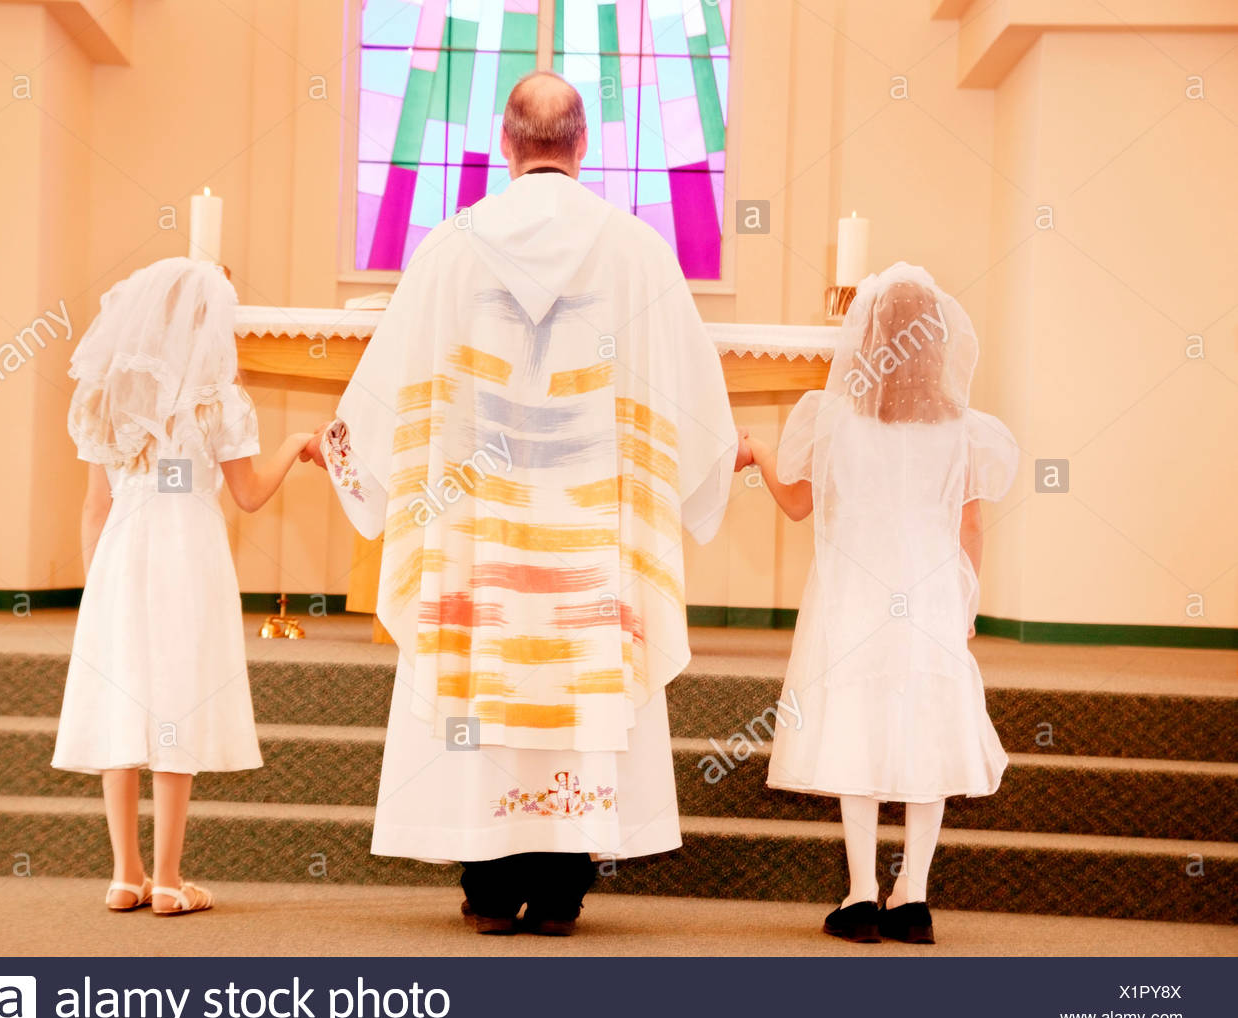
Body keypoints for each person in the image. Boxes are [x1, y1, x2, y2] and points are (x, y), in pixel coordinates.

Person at [305, 72, 741, 934]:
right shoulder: (638, 250)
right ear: (581, 144)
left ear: (507, 144)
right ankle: (563, 891)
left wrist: (351, 456)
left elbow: (385, 393)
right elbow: (697, 405)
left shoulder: (451, 246)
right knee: (578, 692)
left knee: (482, 689)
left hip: (482, 528)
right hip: (595, 528)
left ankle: (490, 890)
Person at [738, 262, 1018, 944]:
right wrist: (966, 600)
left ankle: (862, 893)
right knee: (926, 729)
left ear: (865, 338)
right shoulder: (962, 430)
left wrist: (764, 453)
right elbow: (971, 527)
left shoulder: (832, 421)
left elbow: (800, 504)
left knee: (855, 728)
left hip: (854, 599)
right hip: (927, 596)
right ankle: (914, 895)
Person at [52, 257, 313, 915]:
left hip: (120, 552)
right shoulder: (218, 398)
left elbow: (93, 505)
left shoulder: (106, 393)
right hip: (187, 552)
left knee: (125, 697)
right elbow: (249, 495)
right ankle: (168, 881)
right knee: (176, 698)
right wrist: (295, 445)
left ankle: (124, 874)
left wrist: (95, 589)